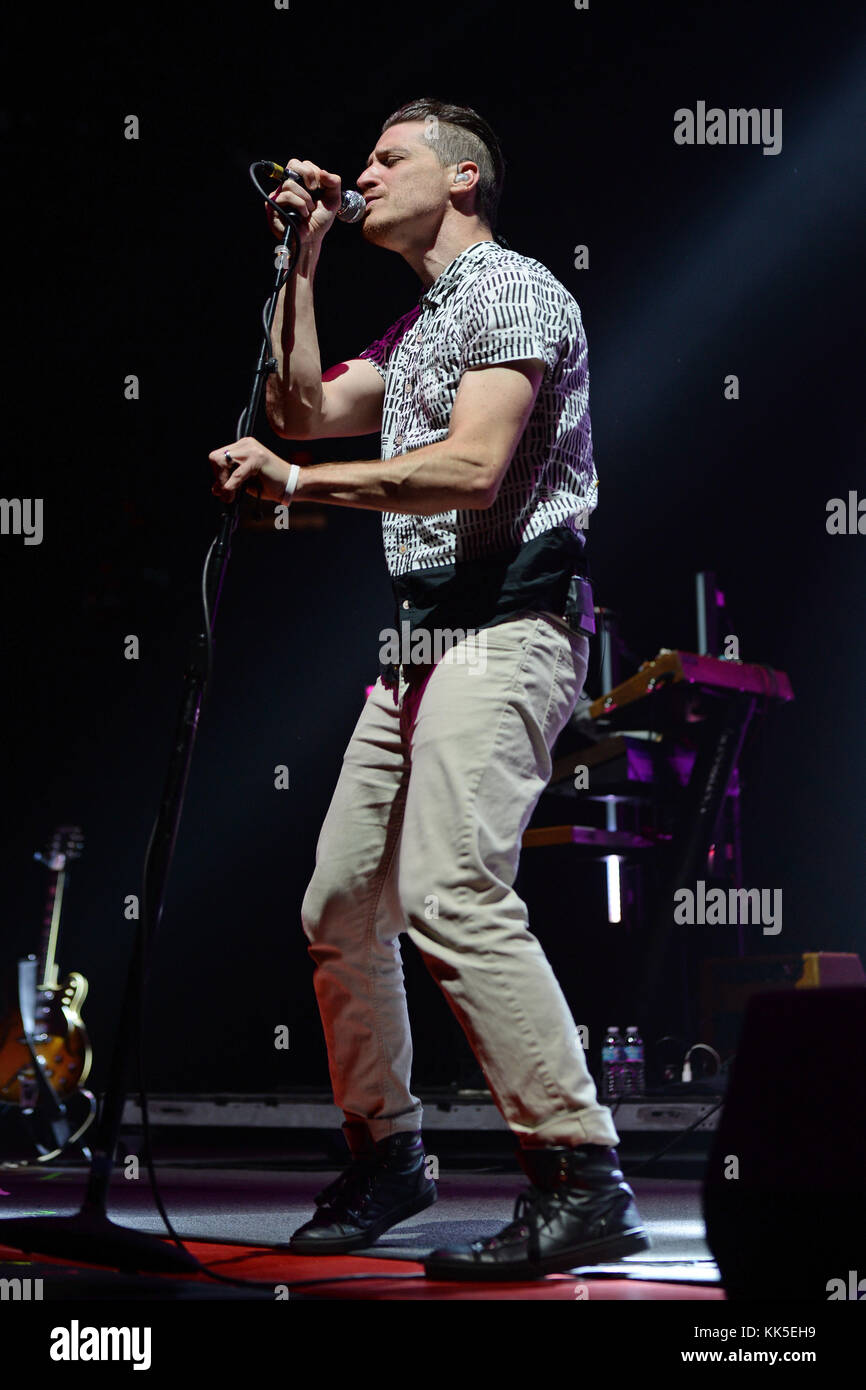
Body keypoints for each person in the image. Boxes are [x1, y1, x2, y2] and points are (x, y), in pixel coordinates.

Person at [209, 98, 648, 1281]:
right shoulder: (420, 325)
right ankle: (390, 1152)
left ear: (459, 180)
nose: (359, 175)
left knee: (450, 887)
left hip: (507, 625)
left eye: (382, 159)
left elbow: (466, 469)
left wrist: (299, 483)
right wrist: (300, 260)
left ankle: (578, 1171)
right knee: (340, 904)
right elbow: (300, 406)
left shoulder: (510, 289)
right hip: (417, 643)